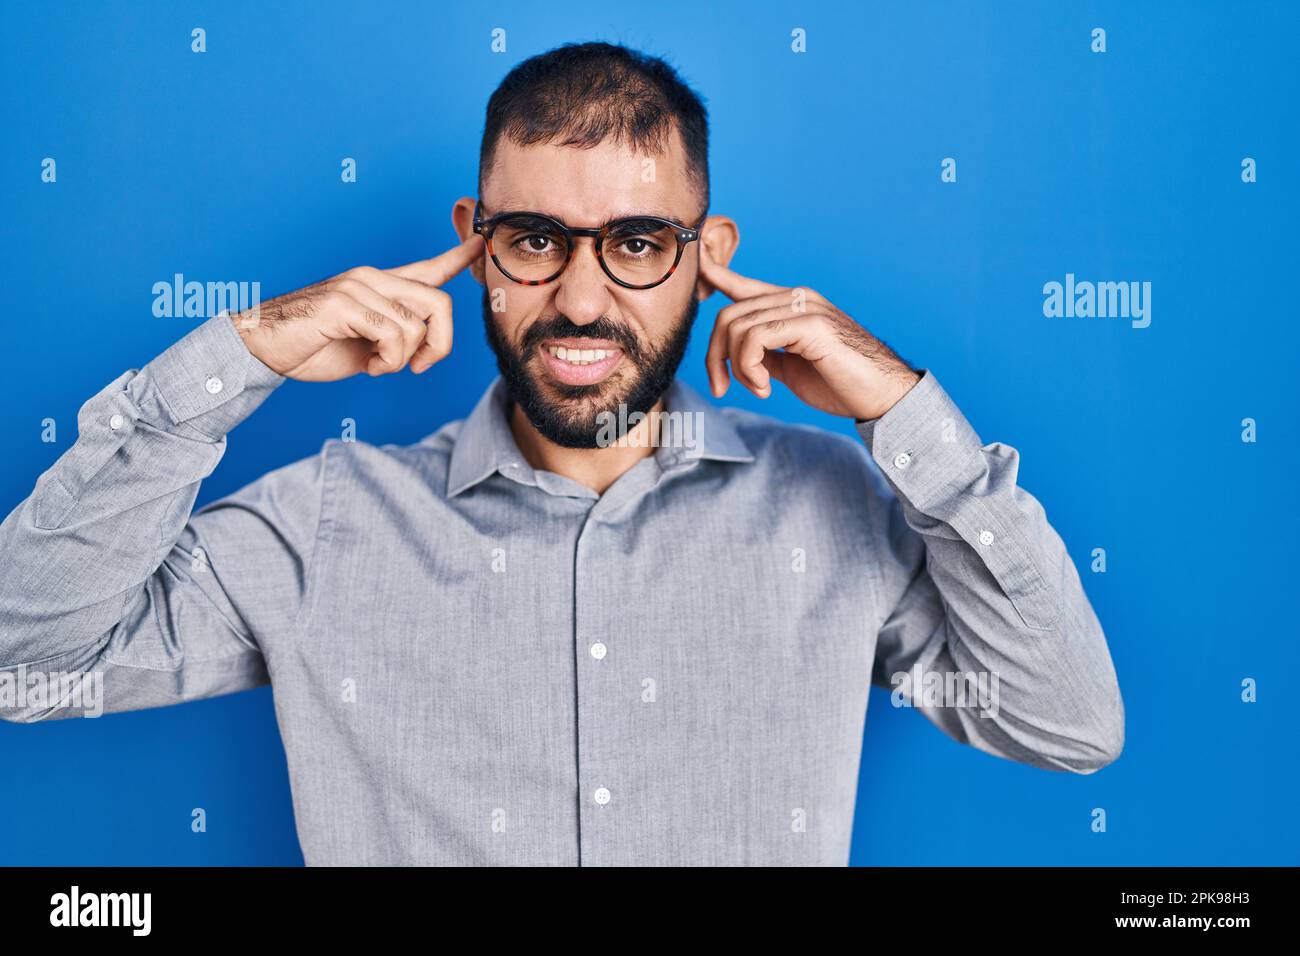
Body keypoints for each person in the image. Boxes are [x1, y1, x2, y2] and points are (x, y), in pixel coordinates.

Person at [0, 42, 1123, 866]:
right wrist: (240, 354)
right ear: (474, 244)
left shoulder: (832, 509)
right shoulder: (323, 524)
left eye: (637, 242)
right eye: (534, 239)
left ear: (707, 253)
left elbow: (1066, 721)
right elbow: (22, 658)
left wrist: (902, 412)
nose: (579, 298)